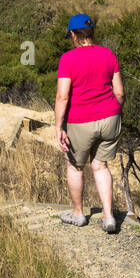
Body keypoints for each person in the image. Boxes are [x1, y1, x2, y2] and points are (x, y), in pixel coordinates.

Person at [54, 12, 124, 233]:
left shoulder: (68, 59)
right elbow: (120, 92)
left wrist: (59, 126)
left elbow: (62, 96)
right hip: (111, 118)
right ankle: (109, 217)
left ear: (74, 35)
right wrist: (114, 113)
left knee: (76, 166)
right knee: (101, 166)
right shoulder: (108, 54)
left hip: (81, 120)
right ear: (91, 33)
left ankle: (78, 213)